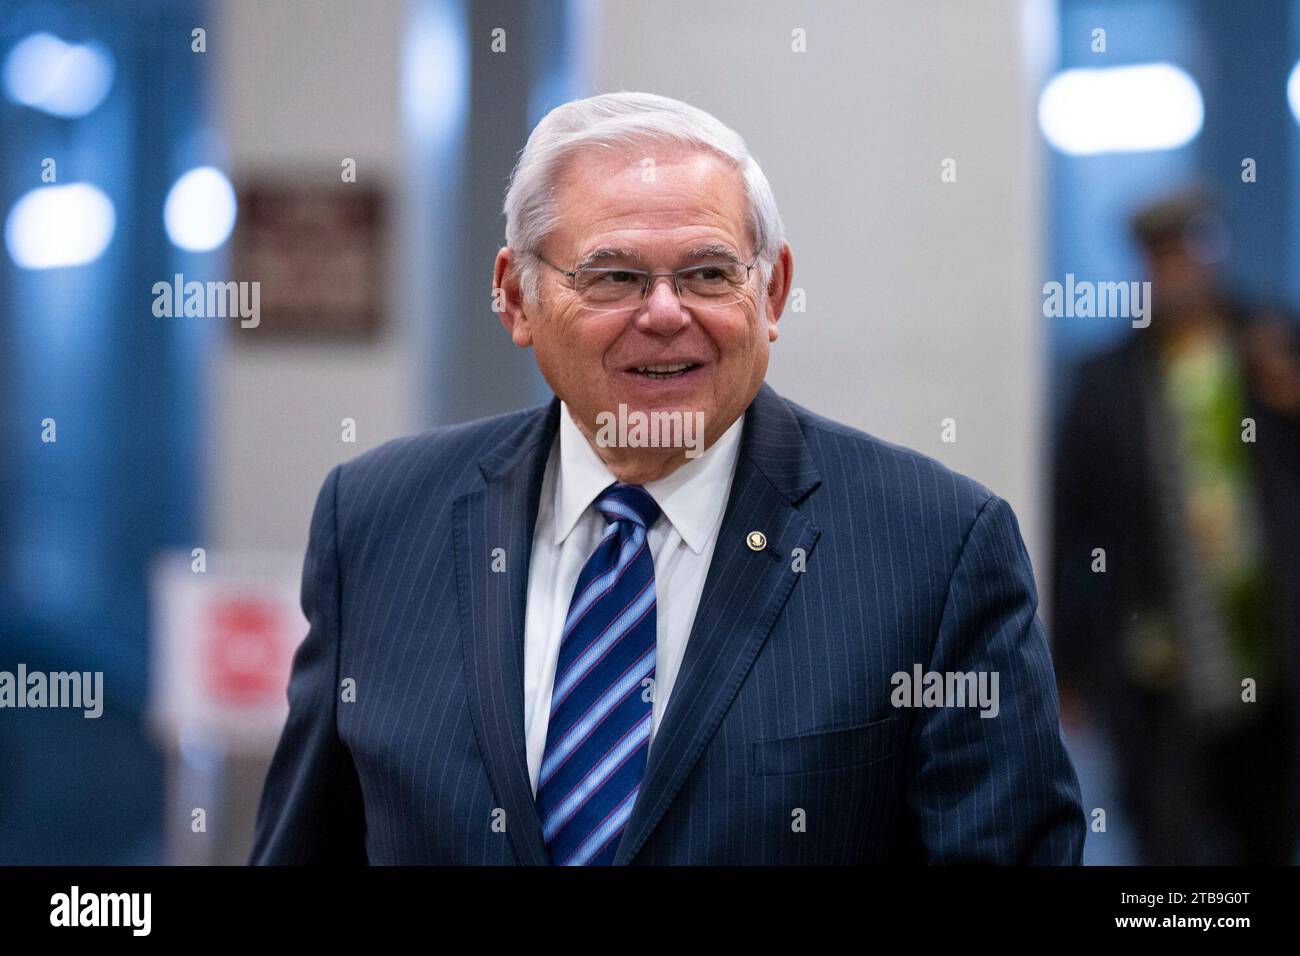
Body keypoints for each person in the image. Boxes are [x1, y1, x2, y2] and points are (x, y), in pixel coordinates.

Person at [249, 91, 1083, 865]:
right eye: (613, 276)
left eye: (708, 274)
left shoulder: (934, 549)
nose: (663, 313)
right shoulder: (376, 522)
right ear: (515, 297)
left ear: (773, 292)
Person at [1052, 187, 1300, 864]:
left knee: (1267, 833)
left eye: (1191, 251)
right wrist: (1069, 664)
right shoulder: (1105, 381)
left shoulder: (1271, 347)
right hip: (1157, 666)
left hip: (1266, 657)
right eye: (1162, 257)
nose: (1179, 270)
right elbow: (1073, 526)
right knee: (1167, 843)